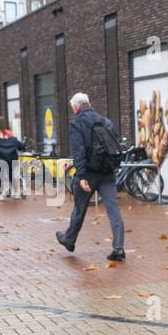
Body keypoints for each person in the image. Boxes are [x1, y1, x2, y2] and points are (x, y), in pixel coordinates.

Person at [56, 92, 125, 261]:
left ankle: (69, 239)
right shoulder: (106, 121)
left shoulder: (76, 123)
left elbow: (79, 152)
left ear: (75, 107)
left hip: (88, 173)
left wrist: (81, 177)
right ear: (88, 102)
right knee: (113, 210)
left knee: (80, 208)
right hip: (107, 173)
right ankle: (118, 248)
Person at [0, 118, 21, 198]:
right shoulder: (9, 133)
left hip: (0, 157)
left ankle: (0, 192)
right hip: (11, 157)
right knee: (12, 175)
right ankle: (14, 193)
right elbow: (15, 143)